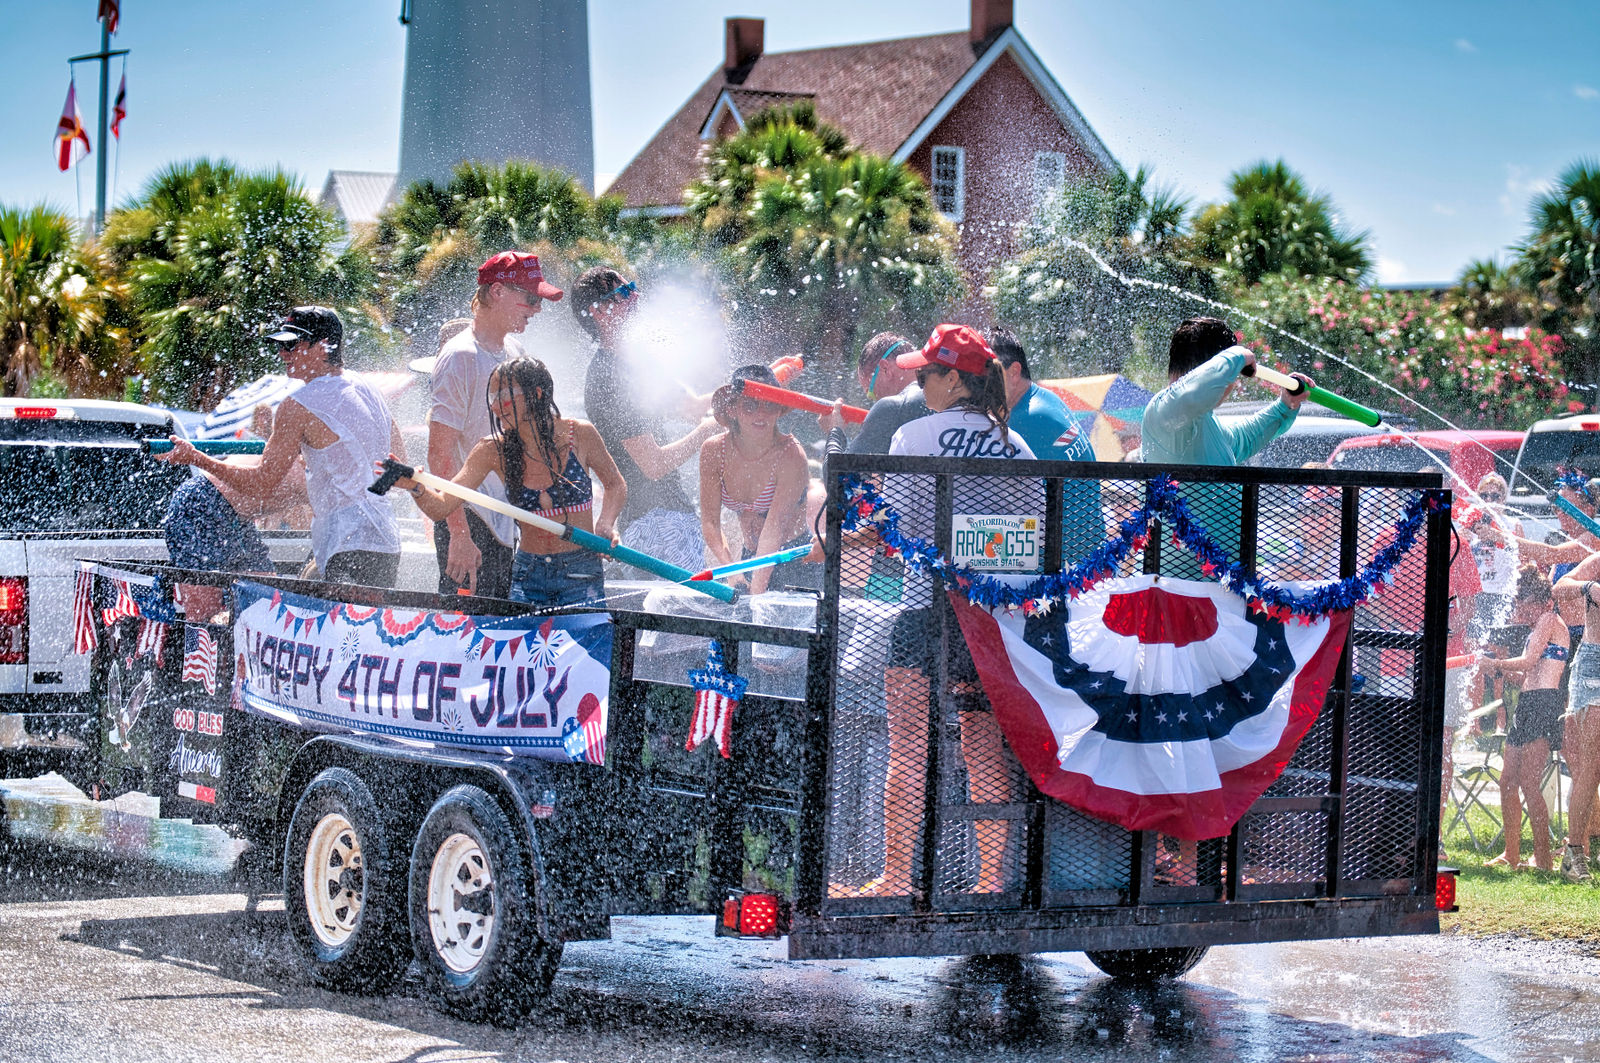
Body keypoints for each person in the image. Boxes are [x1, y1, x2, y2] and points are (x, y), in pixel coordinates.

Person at [863, 324, 1036, 898]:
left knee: (908, 742)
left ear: (954, 378)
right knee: (985, 746)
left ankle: (896, 876)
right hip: (987, 620)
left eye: (925, 371)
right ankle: (991, 881)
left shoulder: (913, 436)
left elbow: (900, 529)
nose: (916, 379)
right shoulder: (1016, 445)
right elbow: (1029, 539)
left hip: (923, 609)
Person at [159, 306, 404, 587]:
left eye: (291, 344)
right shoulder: (369, 388)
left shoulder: (299, 403)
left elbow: (262, 483)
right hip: (384, 539)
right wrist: (359, 493)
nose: (283, 354)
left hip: (345, 546)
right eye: (280, 345)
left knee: (338, 631)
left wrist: (198, 459)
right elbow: (398, 469)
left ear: (323, 346)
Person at [390, 358, 625, 609]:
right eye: (491, 398)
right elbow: (441, 507)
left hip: (581, 569)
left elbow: (615, 484)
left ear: (536, 394)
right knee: (522, 648)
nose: (495, 407)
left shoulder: (579, 433)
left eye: (504, 396)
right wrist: (415, 486)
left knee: (584, 646)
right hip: (528, 574)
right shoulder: (491, 450)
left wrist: (606, 522)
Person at [429, 252, 564, 598]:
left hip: (503, 518)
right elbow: (439, 455)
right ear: (498, 292)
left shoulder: (514, 349)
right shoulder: (460, 357)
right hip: (469, 519)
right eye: (531, 299)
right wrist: (458, 534)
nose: (536, 309)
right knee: (464, 638)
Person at [1140, 317, 1311, 576]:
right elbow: (1194, 391)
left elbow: (1244, 437)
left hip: (1223, 583)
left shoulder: (1204, 420)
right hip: (1181, 591)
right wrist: (1236, 356)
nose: (1232, 386)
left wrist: (1285, 405)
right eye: (1232, 378)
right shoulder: (1163, 412)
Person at [575, 266, 718, 573]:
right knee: (679, 615)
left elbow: (692, 406)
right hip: (651, 520)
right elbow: (652, 465)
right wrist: (706, 430)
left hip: (669, 512)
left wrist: (754, 387)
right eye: (624, 293)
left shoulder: (638, 361)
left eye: (633, 288)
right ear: (598, 311)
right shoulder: (608, 376)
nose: (636, 296)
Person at [1479, 565, 1569, 872]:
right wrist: (1498, 669)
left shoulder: (1549, 619)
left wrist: (1499, 662)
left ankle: (1543, 860)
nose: (1521, 611)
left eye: (1526, 605)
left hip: (1545, 704)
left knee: (1529, 782)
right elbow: (1528, 675)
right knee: (1508, 781)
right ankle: (1512, 853)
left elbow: (1530, 662)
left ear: (1543, 602)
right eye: (1520, 605)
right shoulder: (1537, 627)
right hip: (1530, 702)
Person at [989, 326, 1103, 559]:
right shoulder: (1045, 397)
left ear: (1014, 371)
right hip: (1089, 557)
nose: (979, 382)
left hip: (1061, 567)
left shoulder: (1023, 421)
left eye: (987, 372)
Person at [699, 365, 811, 595]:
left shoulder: (791, 454)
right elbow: (710, 522)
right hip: (751, 558)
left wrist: (756, 595)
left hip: (795, 560)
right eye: (750, 406)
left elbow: (775, 528)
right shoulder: (713, 450)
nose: (761, 414)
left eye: (769, 405)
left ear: (779, 409)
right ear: (733, 409)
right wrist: (732, 570)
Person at [1552, 550, 1600, 881]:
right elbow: (1559, 587)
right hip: (1594, 663)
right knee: (1592, 765)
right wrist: (1589, 588)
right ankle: (1574, 854)